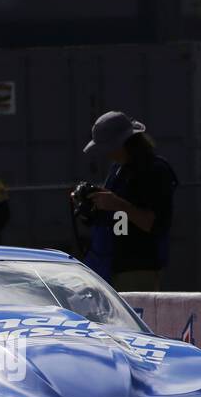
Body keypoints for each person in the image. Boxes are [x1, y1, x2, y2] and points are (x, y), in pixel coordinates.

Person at [76, 110, 179, 291]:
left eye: (108, 147)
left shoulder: (155, 171)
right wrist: (92, 205)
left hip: (137, 269)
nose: (106, 154)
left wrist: (117, 204)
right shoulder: (119, 169)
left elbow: (152, 223)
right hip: (111, 263)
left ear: (124, 144)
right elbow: (118, 220)